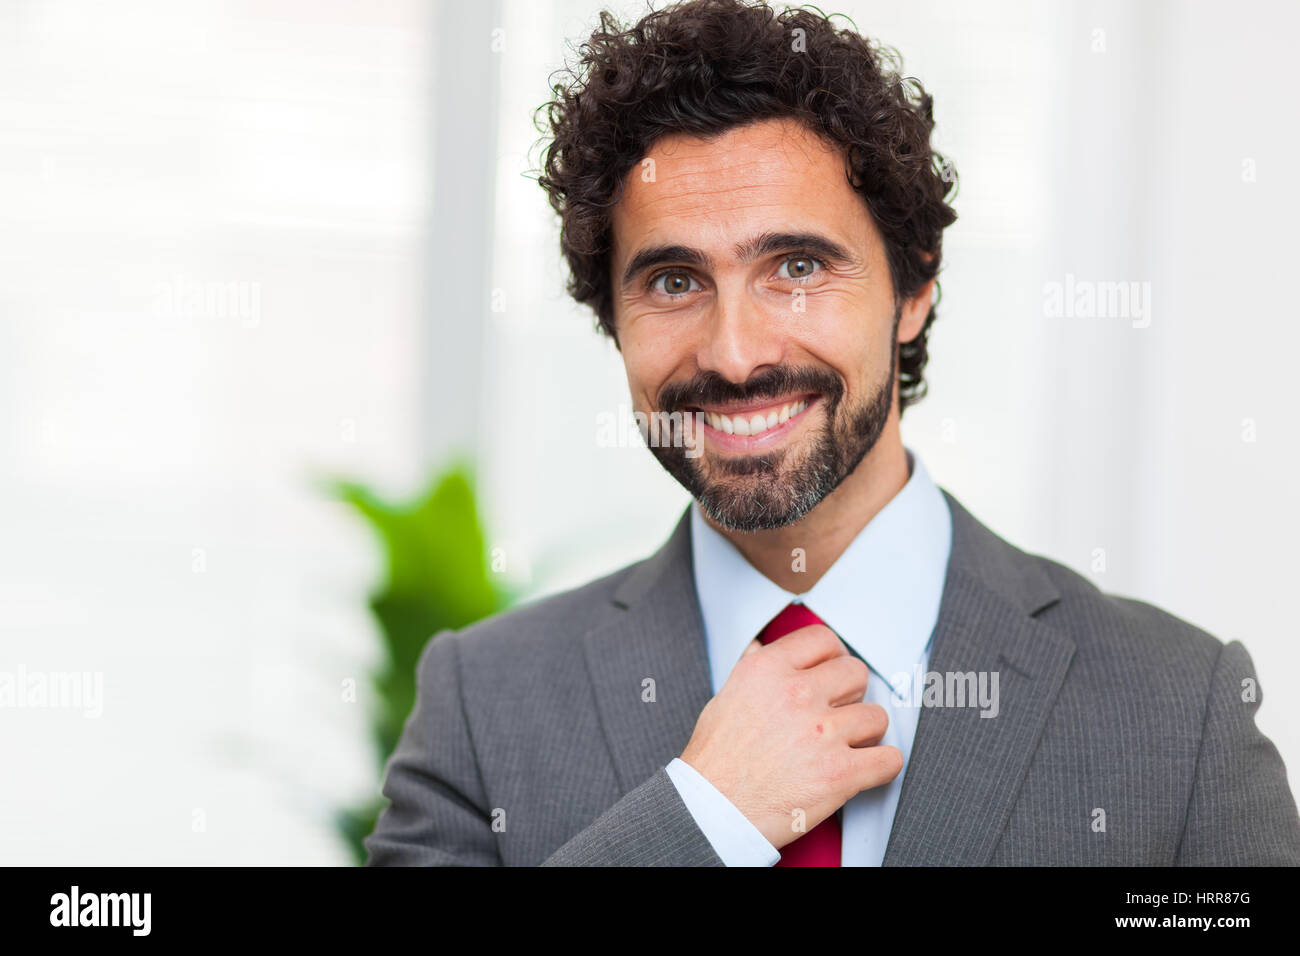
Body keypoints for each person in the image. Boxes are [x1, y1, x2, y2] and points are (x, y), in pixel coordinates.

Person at [364, 0, 1300, 866]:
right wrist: (702, 819)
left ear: (914, 289)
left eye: (798, 265)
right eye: (674, 281)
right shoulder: (481, 708)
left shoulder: (1180, 713)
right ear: (613, 319)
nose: (733, 354)